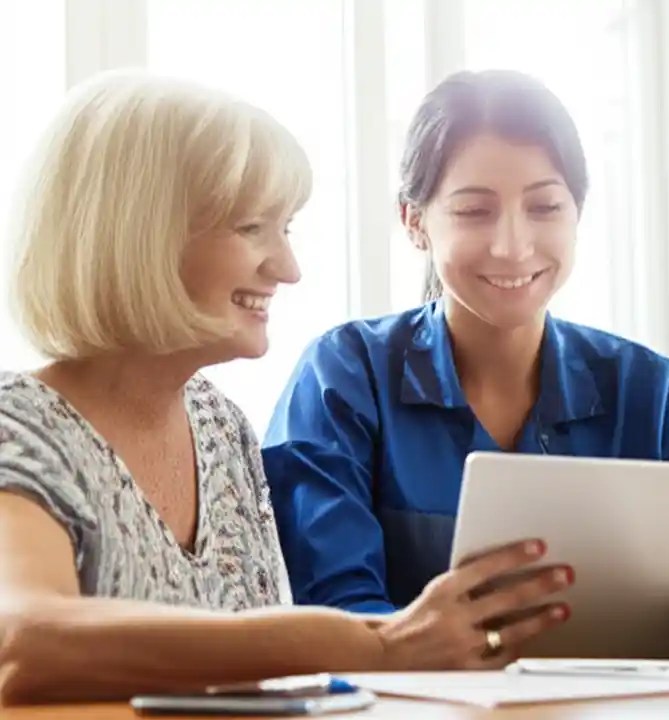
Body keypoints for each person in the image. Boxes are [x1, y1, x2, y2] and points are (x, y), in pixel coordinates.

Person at [0, 71, 570, 705]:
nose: (288, 268)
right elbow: (20, 641)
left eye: (286, 230)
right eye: (251, 229)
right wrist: (381, 644)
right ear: (137, 235)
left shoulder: (219, 429)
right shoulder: (17, 426)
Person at [261, 69, 669, 653]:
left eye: (545, 207)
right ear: (414, 221)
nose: (513, 246)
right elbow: (332, 609)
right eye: (475, 212)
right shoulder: (344, 377)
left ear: (578, 212)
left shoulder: (653, 393)